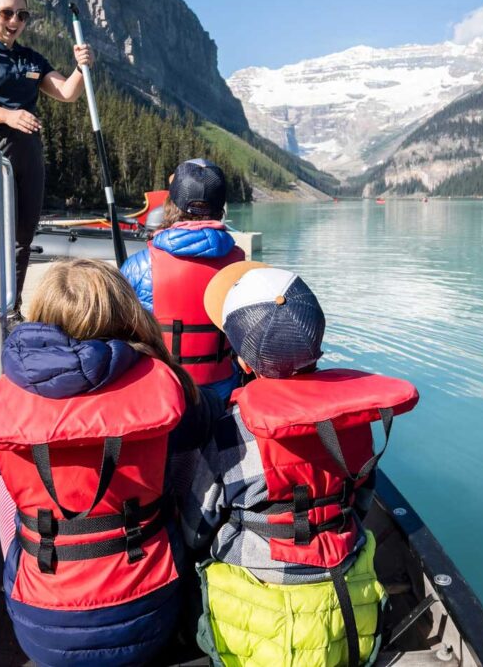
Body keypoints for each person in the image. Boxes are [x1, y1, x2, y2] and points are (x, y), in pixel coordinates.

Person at [0, 259, 222, 667]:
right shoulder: (163, 384)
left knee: (3, 470)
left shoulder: (7, 398)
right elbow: (205, 424)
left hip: (39, 625)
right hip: (149, 611)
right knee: (180, 448)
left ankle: (30, 568)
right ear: (125, 313)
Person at [182, 262, 420, 667]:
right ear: (318, 342)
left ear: (241, 362)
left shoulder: (228, 435)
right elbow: (361, 503)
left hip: (261, 637)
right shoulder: (357, 422)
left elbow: (194, 530)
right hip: (351, 621)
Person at [0, 0, 94, 351]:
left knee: (22, 237)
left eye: (22, 15)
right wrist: (7, 115)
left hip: (28, 151)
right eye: (7, 12)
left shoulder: (30, 59)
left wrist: (81, 68)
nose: (14, 20)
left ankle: (11, 312)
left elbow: (65, 93)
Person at [121, 158, 245, 402]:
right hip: (223, 394)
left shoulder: (140, 265)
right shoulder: (240, 265)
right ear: (221, 210)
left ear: (170, 205)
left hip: (163, 394)